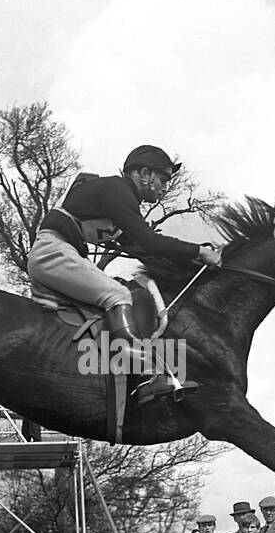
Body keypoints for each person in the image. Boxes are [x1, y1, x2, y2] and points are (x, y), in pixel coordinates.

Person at [26, 144, 223, 403]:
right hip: (54, 252)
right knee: (118, 294)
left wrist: (194, 261)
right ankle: (144, 374)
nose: (165, 187)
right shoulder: (117, 191)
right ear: (143, 173)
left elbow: (144, 249)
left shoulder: (119, 199)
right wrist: (198, 250)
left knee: (121, 290)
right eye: (162, 179)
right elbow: (150, 242)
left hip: (58, 253)